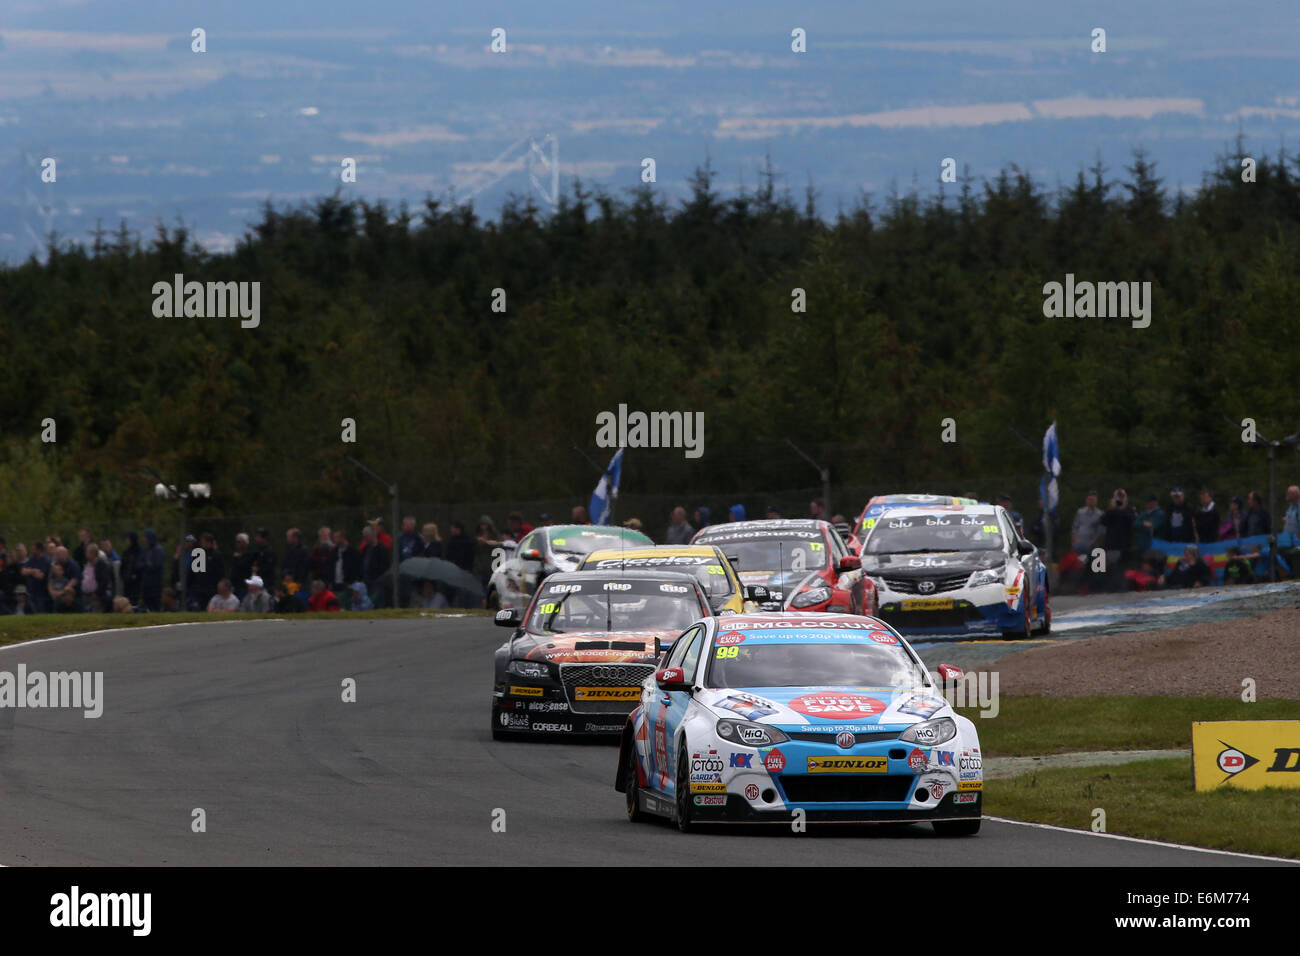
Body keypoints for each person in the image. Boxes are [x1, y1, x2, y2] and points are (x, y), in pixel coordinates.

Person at [1099, 489, 1136, 591]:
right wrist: (1111, 508)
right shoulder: (1111, 511)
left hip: (1124, 547)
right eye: (1118, 498)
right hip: (1111, 545)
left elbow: (1131, 520)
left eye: (1122, 498)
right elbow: (1103, 520)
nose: (1120, 500)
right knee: (1106, 569)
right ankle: (1105, 589)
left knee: (1120, 570)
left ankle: (1121, 589)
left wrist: (1122, 508)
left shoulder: (1129, 510)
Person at [22, 540, 53, 614]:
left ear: (39, 550)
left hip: (42, 593)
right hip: (31, 592)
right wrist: (34, 571)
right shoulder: (31, 559)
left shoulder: (46, 561)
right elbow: (23, 571)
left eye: (33, 549)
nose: (31, 550)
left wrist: (29, 571)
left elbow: (41, 576)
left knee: (40, 612)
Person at [121, 531, 143, 605]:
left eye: (128, 539)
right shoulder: (126, 552)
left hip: (136, 583)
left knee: (134, 601)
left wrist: (135, 575)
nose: (126, 541)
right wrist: (123, 576)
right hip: (127, 582)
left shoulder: (139, 551)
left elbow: (140, 566)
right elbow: (123, 565)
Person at [230, 533, 254, 600]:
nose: (237, 544)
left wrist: (238, 558)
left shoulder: (250, 553)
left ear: (245, 542)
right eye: (237, 542)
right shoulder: (237, 553)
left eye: (239, 542)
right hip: (235, 583)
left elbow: (243, 565)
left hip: (244, 583)